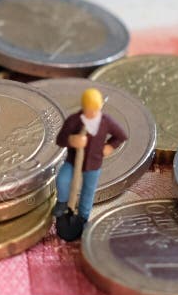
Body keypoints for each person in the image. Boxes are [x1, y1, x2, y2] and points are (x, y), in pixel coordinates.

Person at [53, 88, 127, 224]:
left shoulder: (106, 121)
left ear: (100, 107)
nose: (92, 113)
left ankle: (83, 217)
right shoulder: (74, 120)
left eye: (95, 109)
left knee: (88, 191)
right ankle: (62, 202)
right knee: (62, 180)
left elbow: (121, 136)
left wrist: (110, 146)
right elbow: (60, 139)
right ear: (83, 107)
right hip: (72, 161)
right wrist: (71, 140)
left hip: (93, 164)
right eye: (89, 109)